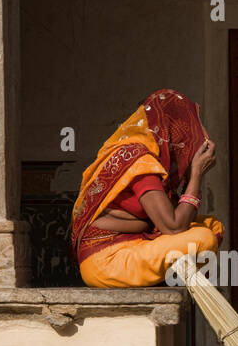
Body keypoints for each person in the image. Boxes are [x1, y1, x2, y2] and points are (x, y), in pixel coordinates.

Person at [71, 89, 224, 287]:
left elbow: (172, 221)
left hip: (134, 243)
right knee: (203, 239)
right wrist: (196, 175)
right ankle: (167, 283)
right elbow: (174, 226)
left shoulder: (146, 154)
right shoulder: (140, 161)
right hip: (106, 260)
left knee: (212, 226)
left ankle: (167, 280)